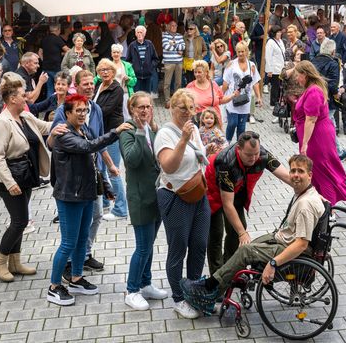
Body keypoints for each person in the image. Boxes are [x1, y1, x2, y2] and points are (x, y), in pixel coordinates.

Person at [181, 155, 325, 315]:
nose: (295, 175)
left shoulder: (305, 205)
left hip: (292, 249)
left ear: (310, 175)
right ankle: (223, 283)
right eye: (293, 171)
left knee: (245, 252)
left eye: (301, 171)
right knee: (248, 247)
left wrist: (273, 263)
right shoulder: (309, 193)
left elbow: (302, 244)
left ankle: (209, 288)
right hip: (283, 238)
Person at [47, 94, 127, 306]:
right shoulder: (64, 134)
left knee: (82, 238)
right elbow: (87, 148)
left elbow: (93, 162)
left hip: (85, 193)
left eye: (85, 110)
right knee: (68, 243)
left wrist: (107, 187)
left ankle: (76, 278)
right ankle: (54, 287)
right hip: (69, 196)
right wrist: (116, 132)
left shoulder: (85, 130)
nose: (83, 114)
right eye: (78, 111)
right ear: (67, 113)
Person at [0, 73, 64, 282]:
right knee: (19, 221)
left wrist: (62, 125)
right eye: (23, 95)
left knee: (20, 220)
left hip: (26, 174)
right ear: (12, 98)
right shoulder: (2, 122)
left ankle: (15, 262)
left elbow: (45, 128)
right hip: (10, 178)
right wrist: (10, 183)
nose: (27, 98)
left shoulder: (24, 116)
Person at [51, 69, 118, 272]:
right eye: (86, 84)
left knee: (96, 215)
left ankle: (84, 255)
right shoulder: (65, 109)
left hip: (93, 171)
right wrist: (117, 131)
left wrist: (109, 167)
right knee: (73, 230)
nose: (90, 87)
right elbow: (56, 140)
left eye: (92, 84)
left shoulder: (95, 109)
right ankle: (67, 265)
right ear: (76, 85)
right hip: (72, 180)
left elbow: (96, 142)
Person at [154, 89, 210, 319]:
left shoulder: (195, 128)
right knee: (178, 249)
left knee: (199, 245)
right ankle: (178, 298)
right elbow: (169, 166)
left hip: (198, 193)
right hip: (175, 196)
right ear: (171, 108)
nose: (188, 112)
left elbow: (197, 156)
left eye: (191, 108)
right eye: (183, 108)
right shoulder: (165, 135)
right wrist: (184, 139)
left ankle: (194, 291)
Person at [204, 131, 291, 275]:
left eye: (256, 153)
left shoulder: (262, 154)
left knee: (236, 229)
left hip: (236, 191)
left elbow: (287, 176)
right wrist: (242, 234)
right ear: (238, 148)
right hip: (213, 193)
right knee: (216, 234)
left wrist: (309, 190)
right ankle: (216, 274)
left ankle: (228, 267)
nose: (254, 158)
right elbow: (227, 204)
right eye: (249, 155)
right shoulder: (225, 161)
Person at [119, 92, 169, 311]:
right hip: (140, 198)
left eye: (148, 106)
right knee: (142, 247)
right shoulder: (129, 131)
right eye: (141, 107)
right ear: (132, 109)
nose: (146, 111)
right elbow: (131, 160)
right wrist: (140, 130)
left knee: (149, 245)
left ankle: (145, 283)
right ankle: (132, 290)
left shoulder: (152, 128)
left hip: (156, 196)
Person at [293, 61, 346, 205]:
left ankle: (328, 208)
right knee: (317, 172)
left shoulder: (313, 91)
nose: (297, 79)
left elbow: (311, 120)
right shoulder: (312, 89)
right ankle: (321, 206)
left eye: (298, 75)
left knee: (323, 173)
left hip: (317, 138)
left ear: (305, 75)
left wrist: (305, 144)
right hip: (316, 136)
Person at [94, 60, 128, 221]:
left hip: (113, 133)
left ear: (113, 72)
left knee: (112, 169)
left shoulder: (116, 89)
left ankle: (121, 209)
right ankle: (107, 200)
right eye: (101, 70)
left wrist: (88, 111)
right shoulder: (99, 86)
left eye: (107, 70)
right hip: (101, 133)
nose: (104, 72)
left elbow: (105, 110)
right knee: (102, 168)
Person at [221, 42, 262, 142]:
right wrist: (221, 97)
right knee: (232, 123)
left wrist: (259, 97)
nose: (240, 54)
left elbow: (255, 82)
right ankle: (227, 143)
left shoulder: (251, 65)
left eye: (242, 51)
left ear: (247, 52)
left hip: (245, 100)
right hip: (232, 98)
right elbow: (225, 83)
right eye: (238, 52)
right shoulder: (231, 64)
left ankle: (240, 146)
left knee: (242, 126)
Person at [126, 25, 158, 93]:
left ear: (145, 33)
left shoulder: (149, 44)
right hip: (136, 76)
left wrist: (150, 67)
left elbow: (155, 59)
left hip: (148, 75)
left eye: (141, 32)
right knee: (137, 95)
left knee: (147, 95)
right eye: (138, 32)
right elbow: (128, 60)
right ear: (135, 34)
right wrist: (134, 68)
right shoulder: (132, 45)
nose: (139, 34)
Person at [39, 24, 69, 98]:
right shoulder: (57, 39)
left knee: (50, 89)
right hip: (56, 68)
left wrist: (44, 60)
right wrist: (62, 54)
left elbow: (40, 52)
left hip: (46, 67)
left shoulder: (44, 39)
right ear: (58, 30)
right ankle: (58, 105)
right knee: (59, 87)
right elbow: (68, 50)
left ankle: (49, 107)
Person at [162, 21, 185, 107]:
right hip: (169, 62)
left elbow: (183, 47)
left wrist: (173, 44)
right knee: (167, 83)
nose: (174, 27)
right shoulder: (165, 35)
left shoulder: (179, 36)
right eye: (172, 25)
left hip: (179, 62)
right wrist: (177, 48)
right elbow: (166, 46)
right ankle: (167, 100)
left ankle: (176, 100)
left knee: (178, 82)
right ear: (168, 26)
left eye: (175, 25)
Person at [109, 44, 136, 119]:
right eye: (114, 52)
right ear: (111, 54)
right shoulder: (108, 65)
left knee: (127, 114)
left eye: (118, 52)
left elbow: (134, 81)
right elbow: (99, 78)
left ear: (121, 54)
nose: (116, 54)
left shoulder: (127, 65)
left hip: (125, 93)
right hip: (112, 94)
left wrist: (128, 79)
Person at [265, 26, 285, 110]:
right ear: (273, 33)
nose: (279, 34)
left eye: (280, 32)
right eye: (278, 32)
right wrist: (269, 70)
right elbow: (268, 56)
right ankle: (272, 103)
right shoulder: (270, 42)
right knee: (275, 87)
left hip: (281, 67)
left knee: (280, 86)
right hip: (274, 68)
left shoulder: (280, 41)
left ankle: (278, 101)